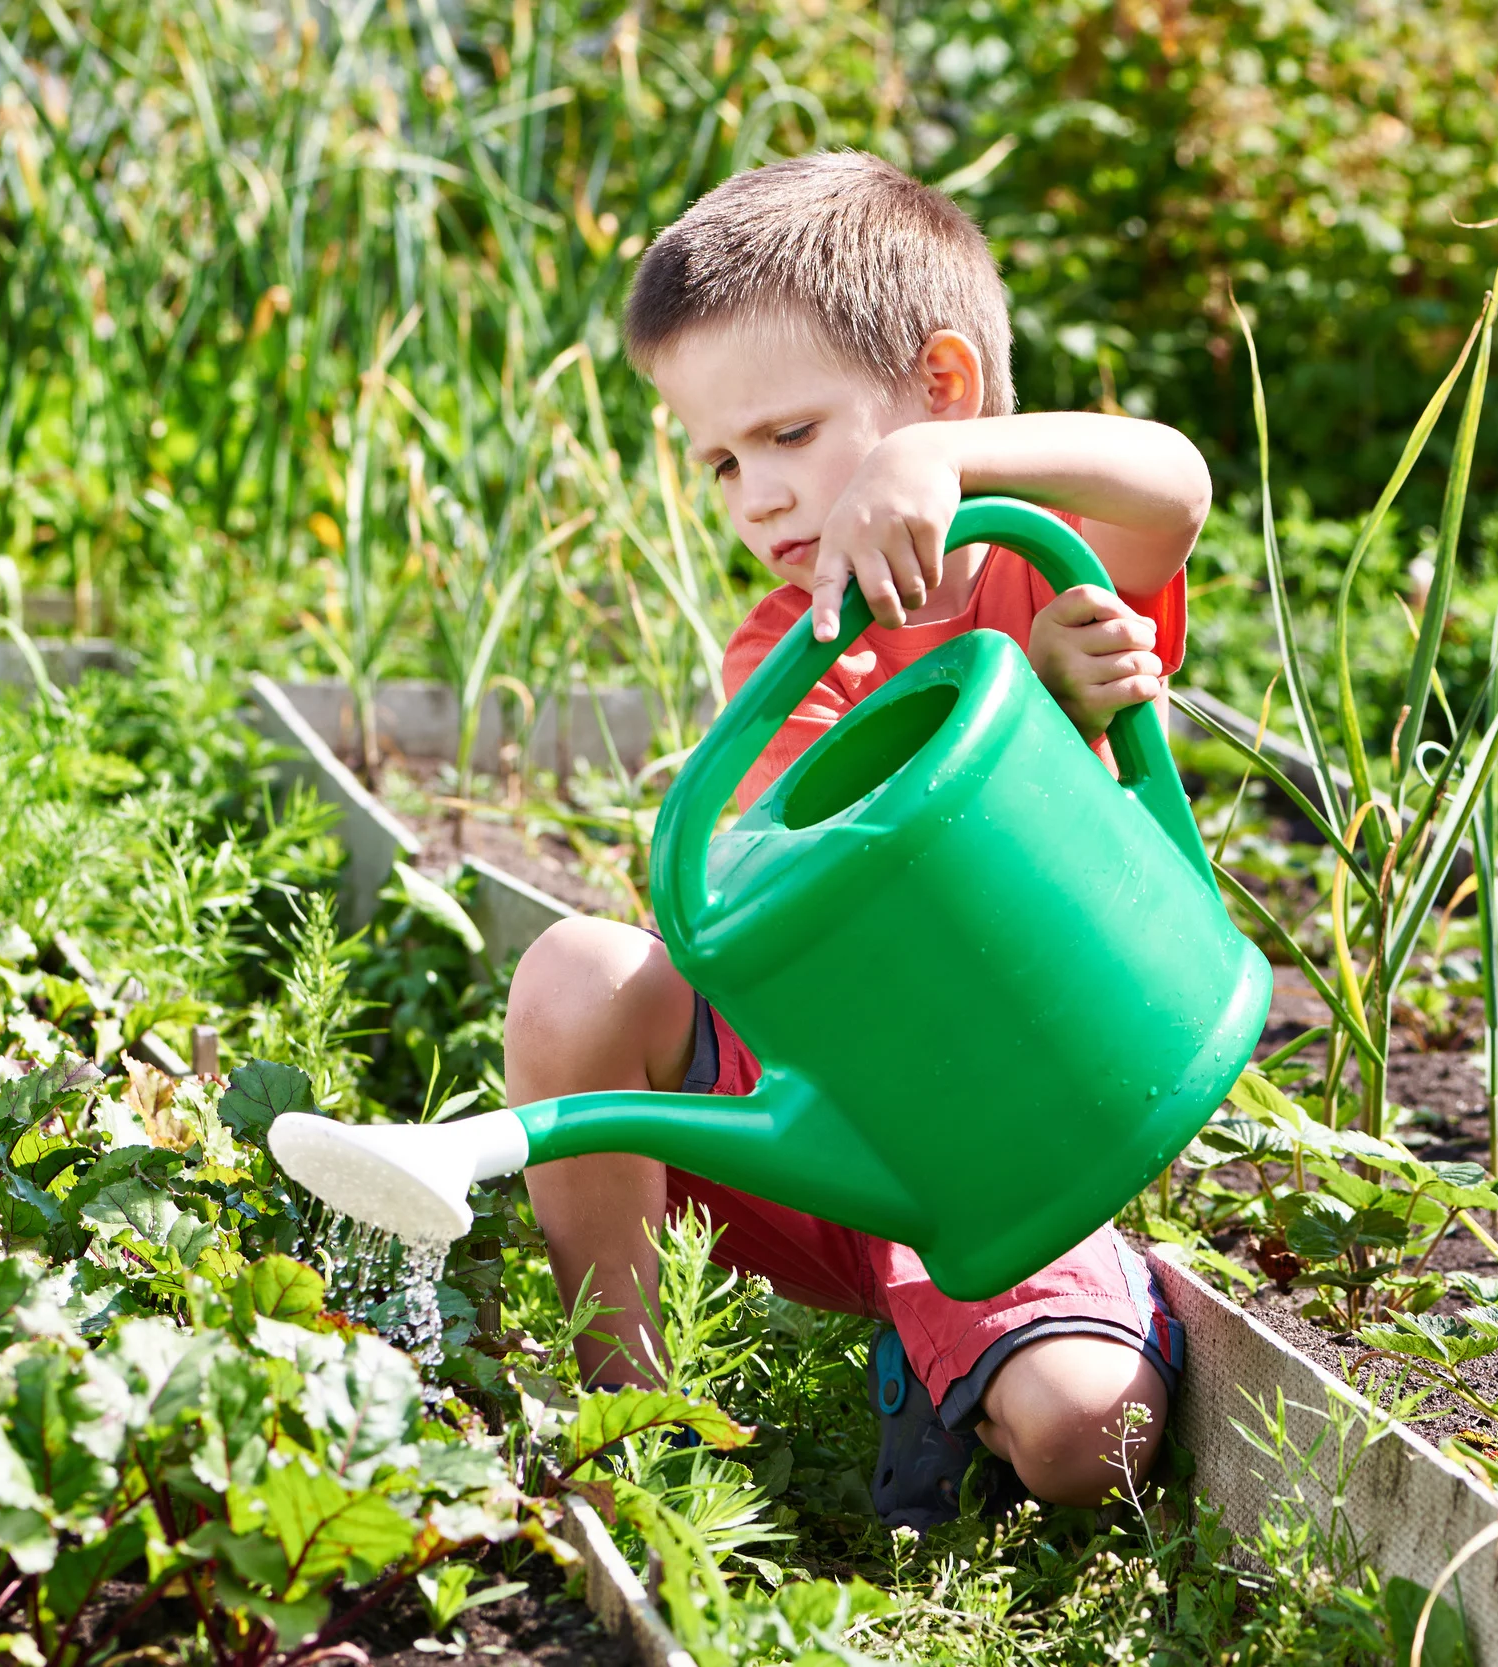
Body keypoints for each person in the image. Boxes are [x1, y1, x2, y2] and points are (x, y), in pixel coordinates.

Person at [507, 152, 1207, 1526]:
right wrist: (1035, 717)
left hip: (1003, 1143)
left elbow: (1169, 485)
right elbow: (830, 879)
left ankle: (968, 1343)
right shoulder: (787, 649)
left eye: (787, 437)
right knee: (578, 972)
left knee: (1091, 1444)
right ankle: (630, 1431)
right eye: (719, 461)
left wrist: (948, 474)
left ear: (941, 389)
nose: (753, 497)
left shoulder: (1042, 567)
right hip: (817, 1126)